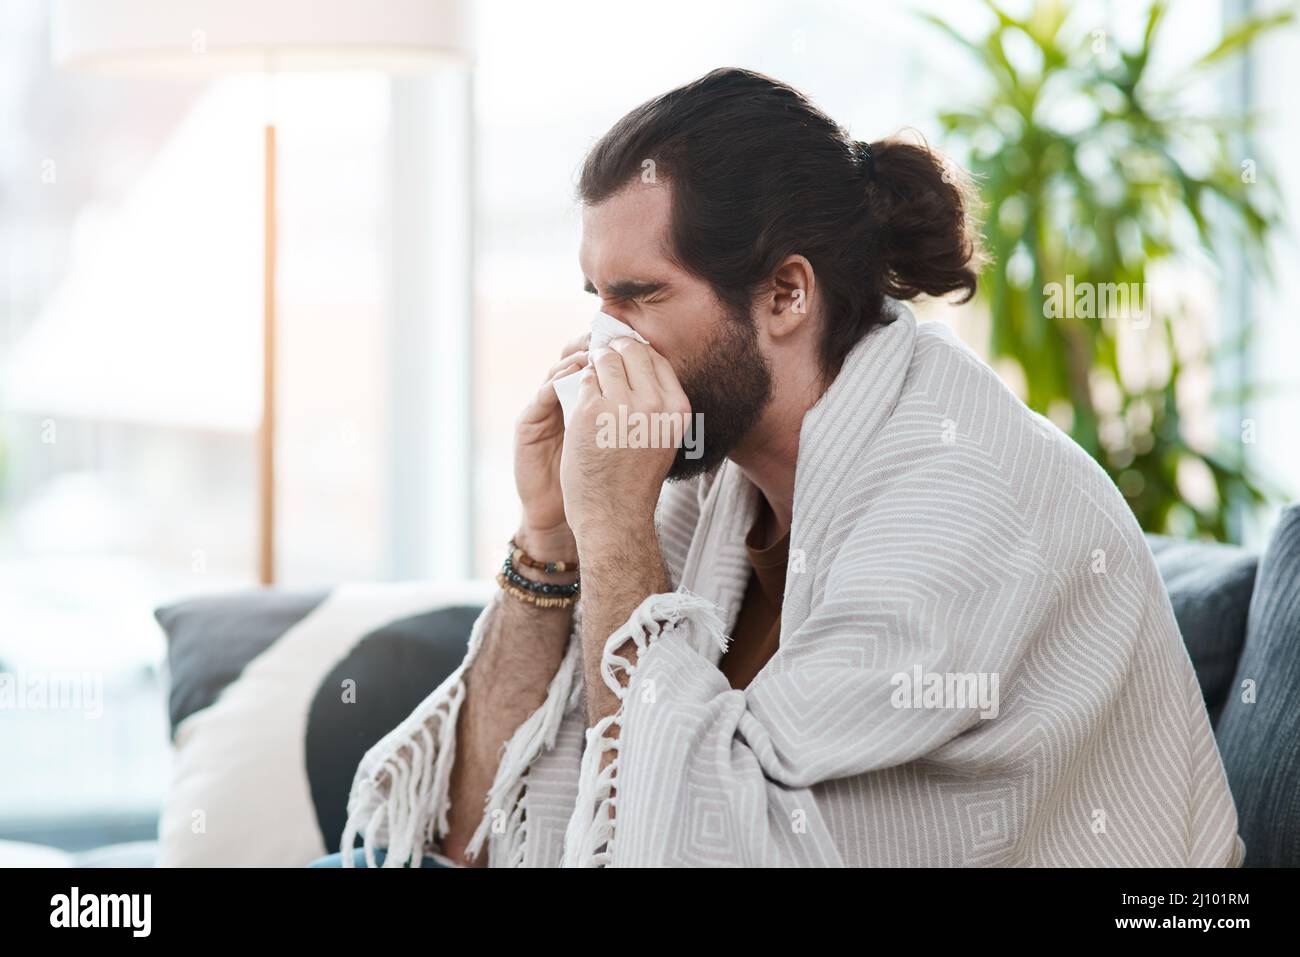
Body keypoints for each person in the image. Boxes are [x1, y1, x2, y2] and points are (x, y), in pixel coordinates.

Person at [332, 67, 1244, 868]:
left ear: (785, 294)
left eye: (639, 296)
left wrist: (613, 533)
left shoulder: (964, 499)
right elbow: (466, 840)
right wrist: (551, 541)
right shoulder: (710, 484)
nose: (602, 345)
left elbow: (694, 847)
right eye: (595, 300)